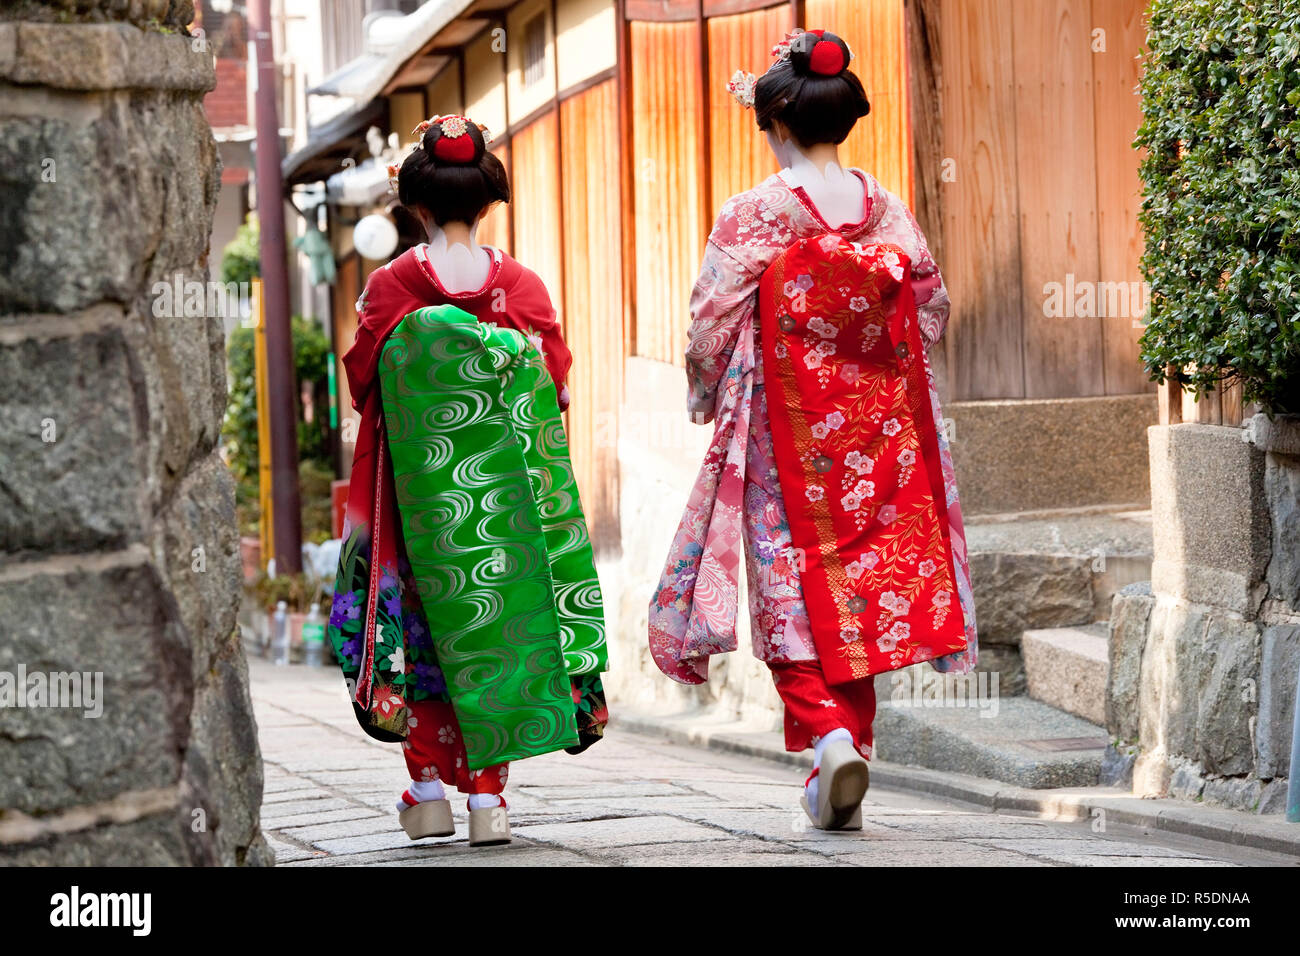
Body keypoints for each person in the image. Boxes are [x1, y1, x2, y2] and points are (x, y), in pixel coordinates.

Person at [649, 29, 978, 831]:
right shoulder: (887, 209)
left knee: (789, 590)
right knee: (860, 591)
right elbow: (929, 309)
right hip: (879, 435)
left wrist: (704, 390)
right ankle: (850, 751)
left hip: (781, 435)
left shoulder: (757, 212)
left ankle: (831, 739)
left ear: (776, 126)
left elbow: (709, 323)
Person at [328, 114, 609, 848]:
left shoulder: (393, 287)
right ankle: (491, 801)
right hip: (505, 503)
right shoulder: (521, 286)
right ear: (485, 201)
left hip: (418, 504)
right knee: (496, 630)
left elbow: (361, 379)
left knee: (421, 639)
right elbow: (556, 388)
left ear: (415, 207)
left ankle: (425, 790)